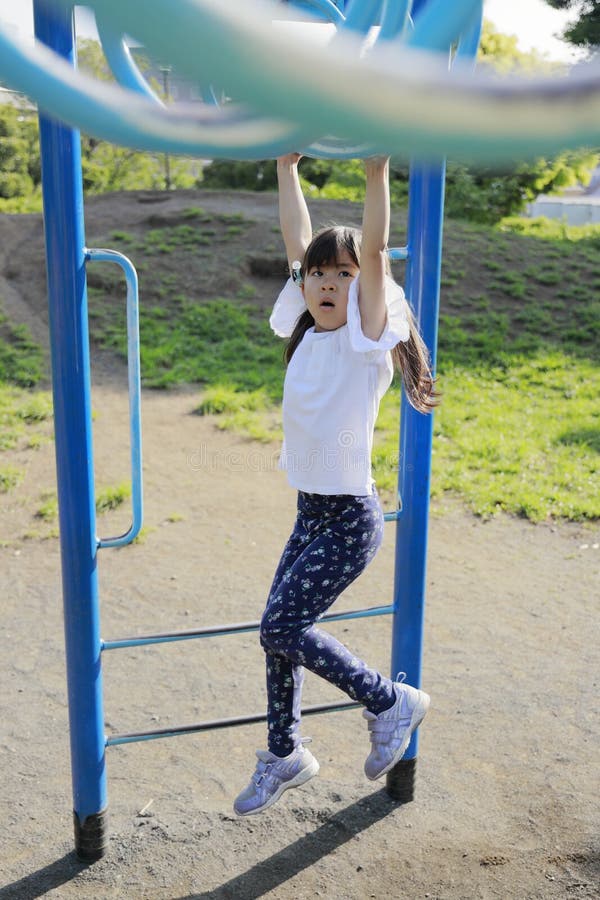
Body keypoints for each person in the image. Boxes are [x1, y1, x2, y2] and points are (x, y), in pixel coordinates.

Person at [234, 154, 438, 817]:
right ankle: (285, 750)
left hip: (350, 517)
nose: (325, 281)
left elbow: (375, 251)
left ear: (364, 289)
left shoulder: (364, 338)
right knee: (279, 633)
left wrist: (377, 174)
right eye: (318, 274)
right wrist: (286, 167)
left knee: (281, 623)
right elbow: (299, 239)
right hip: (311, 510)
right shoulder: (306, 326)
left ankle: (389, 701)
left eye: (341, 275)